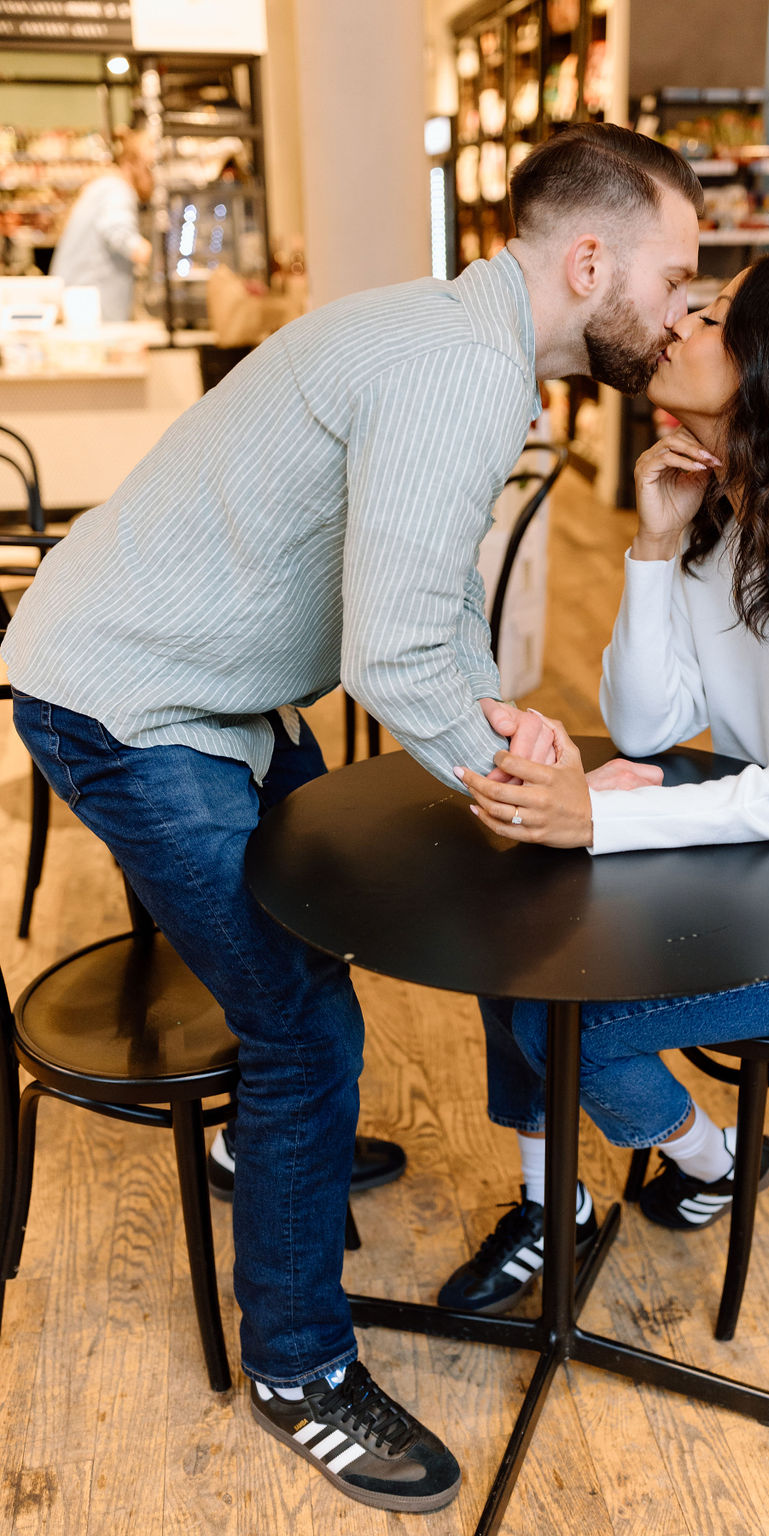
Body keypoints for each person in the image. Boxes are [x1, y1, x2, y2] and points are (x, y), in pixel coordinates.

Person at [2, 124, 703, 1514]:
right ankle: (302, 1368)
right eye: (678, 274)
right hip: (135, 706)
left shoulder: (458, 338)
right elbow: (389, 664)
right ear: (589, 261)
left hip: (206, 689)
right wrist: (530, 795)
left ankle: (270, 1142)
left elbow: (419, 592)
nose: (685, 309)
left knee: (308, 963)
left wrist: (496, 729)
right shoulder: (464, 365)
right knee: (307, 1024)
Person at [439, 254, 769, 1319]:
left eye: (715, 318)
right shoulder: (727, 515)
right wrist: (653, 544)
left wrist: (599, 817)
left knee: (557, 1023)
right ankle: (560, 1210)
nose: (677, 324)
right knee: (517, 942)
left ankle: (719, 1158)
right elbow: (641, 721)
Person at [50, 126, 153, 321]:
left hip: (79, 304)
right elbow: (119, 234)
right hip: (91, 309)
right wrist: (158, 257)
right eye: (149, 168)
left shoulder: (104, 187)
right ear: (132, 164)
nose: (153, 179)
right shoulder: (117, 190)